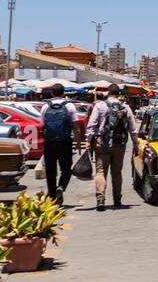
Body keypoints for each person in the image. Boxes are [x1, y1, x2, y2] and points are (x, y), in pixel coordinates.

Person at [84, 83, 138, 211]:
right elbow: (132, 128)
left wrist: (88, 140)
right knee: (117, 172)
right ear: (119, 94)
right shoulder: (125, 107)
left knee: (101, 171)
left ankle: (100, 199)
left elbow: (92, 125)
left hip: (102, 143)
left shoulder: (100, 106)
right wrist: (135, 144)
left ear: (108, 93)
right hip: (119, 145)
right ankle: (117, 199)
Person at [40, 83, 79, 204]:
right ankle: (61, 187)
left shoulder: (45, 107)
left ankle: (52, 198)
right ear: (63, 93)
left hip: (49, 142)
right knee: (66, 169)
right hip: (65, 142)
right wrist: (78, 142)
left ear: (52, 93)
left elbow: (42, 125)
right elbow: (75, 126)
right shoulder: (69, 106)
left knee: (50, 171)